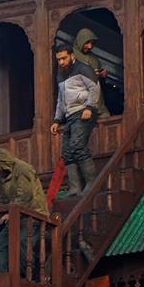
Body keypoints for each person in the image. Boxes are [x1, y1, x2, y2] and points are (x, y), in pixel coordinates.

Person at [0, 148, 48, 274]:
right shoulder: (3, 177)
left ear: (4, 164)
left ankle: (26, 276)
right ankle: (1, 277)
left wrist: (10, 214)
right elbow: (2, 199)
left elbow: (25, 195)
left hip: (32, 216)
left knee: (22, 242)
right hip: (16, 218)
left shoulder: (23, 169)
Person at [51, 42, 100, 196]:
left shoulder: (83, 68)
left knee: (78, 146)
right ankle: (75, 188)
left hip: (82, 112)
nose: (61, 62)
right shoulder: (60, 74)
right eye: (58, 59)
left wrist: (90, 107)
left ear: (72, 55)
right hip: (69, 115)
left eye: (64, 58)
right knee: (67, 152)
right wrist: (57, 119)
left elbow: (94, 87)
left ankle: (93, 182)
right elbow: (61, 98)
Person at [72, 28, 110, 117]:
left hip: (97, 100)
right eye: (87, 43)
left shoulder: (94, 59)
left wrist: (102, 74)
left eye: (92, 43)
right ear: (81, 40)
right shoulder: (70, 55)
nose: (90, 46)